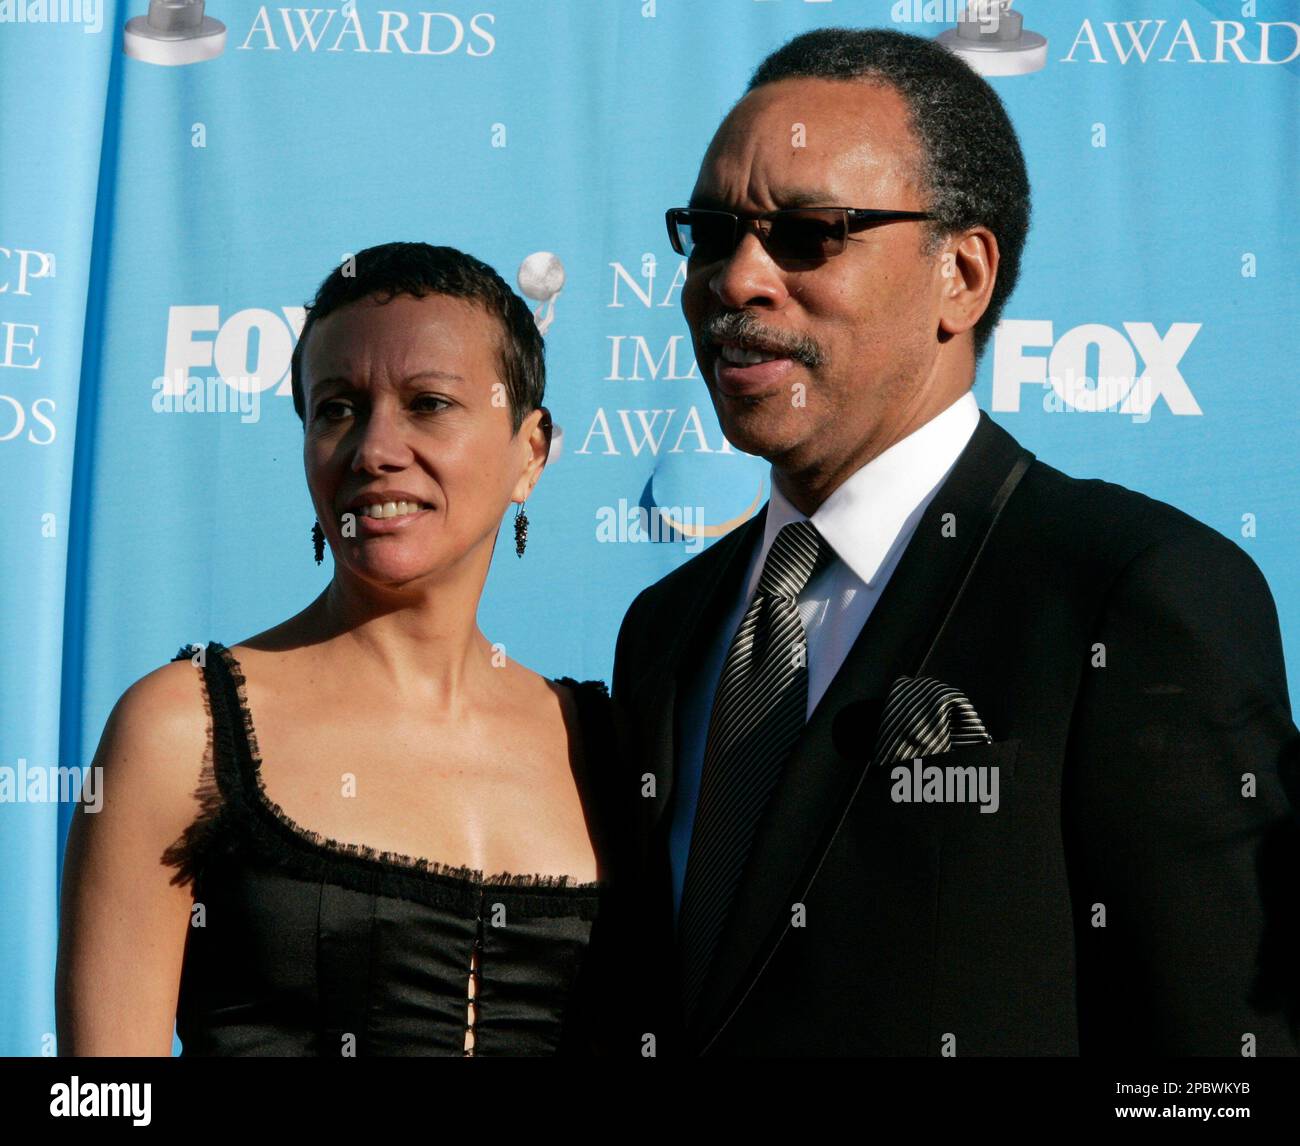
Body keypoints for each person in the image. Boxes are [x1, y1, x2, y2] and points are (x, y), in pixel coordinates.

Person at [612, 28, 1300, 1057]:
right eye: (712, 232)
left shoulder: (1130, 593)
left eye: (809, 233)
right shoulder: (664, 629)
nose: (738, 278)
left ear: (963, 276)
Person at [56, 241, 631, 1056]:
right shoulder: (180, 729)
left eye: (429, 403)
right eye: (337, 408)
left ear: (531, 451)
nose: (375, 450)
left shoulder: (611, 743)